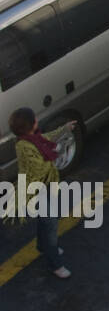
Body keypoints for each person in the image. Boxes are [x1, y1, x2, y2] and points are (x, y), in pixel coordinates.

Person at [9, 108, 73, 278]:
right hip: (38, 190)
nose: (37, 119)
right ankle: (55, 264)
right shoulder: (24, 146)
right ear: (30, 125)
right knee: (51, 225)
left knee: (45, 221)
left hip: (45, 187)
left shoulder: (33, 138)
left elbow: (49, 136)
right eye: (35, 119)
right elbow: (39, 168)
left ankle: (42, 246)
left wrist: (65, 129)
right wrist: (58, 154)